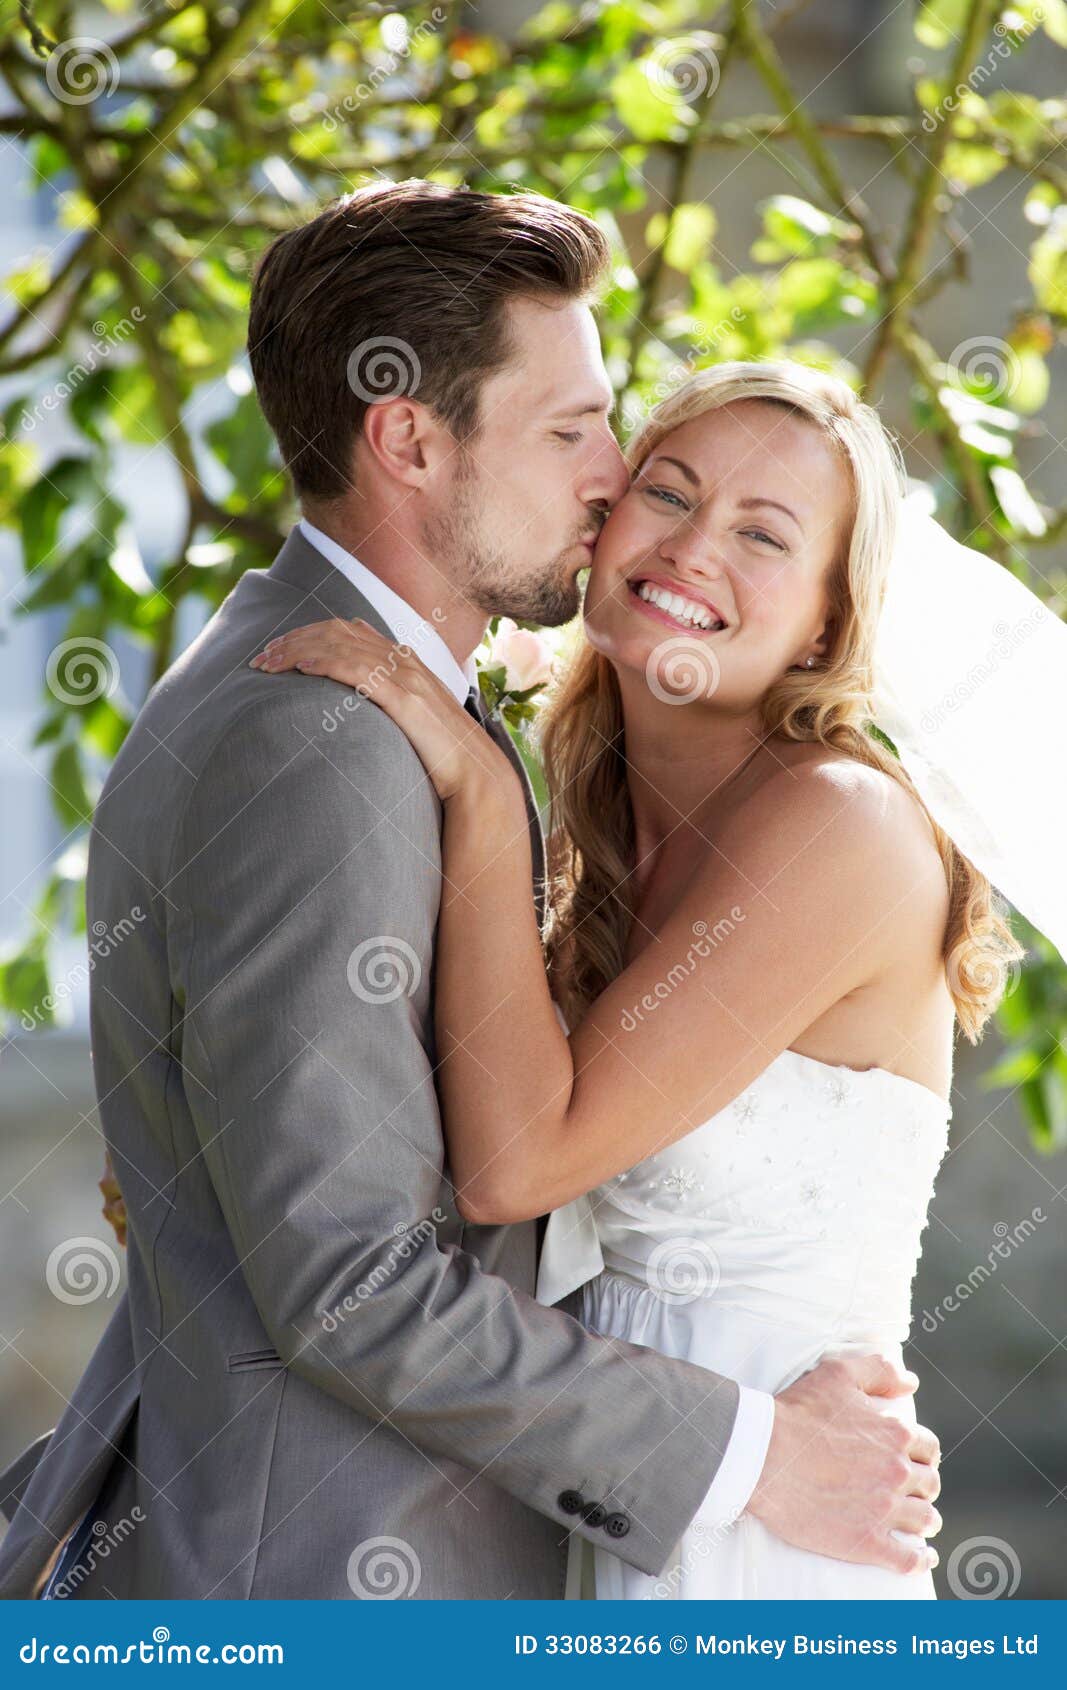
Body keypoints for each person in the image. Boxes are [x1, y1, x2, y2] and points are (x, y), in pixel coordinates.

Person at [0, 187, 939, 1600]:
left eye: (761, 531)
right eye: (575, 432)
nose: (610, 481)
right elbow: (354, 1273)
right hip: (333, 1575)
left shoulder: (392, 718)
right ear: (409, 436)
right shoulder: (320, 736)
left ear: (825, 608)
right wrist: (755, 1455)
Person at [246, 355, 1026, 1598]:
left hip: (775, 1540)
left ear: (827, 618)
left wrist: (478, 799)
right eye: (667, 493)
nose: (692, 546)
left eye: (763, 533)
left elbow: (520, 1163)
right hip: (606, 1498)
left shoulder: (838, 826)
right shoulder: (597, 823)